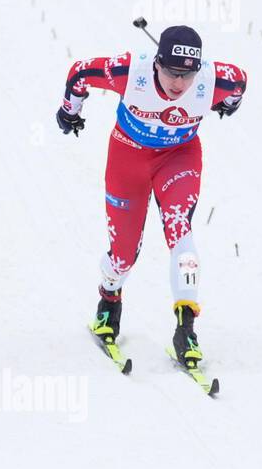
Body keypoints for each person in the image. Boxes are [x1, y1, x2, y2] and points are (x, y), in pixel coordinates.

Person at [55, 25, 247, 368]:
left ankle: (185, 329)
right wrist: (70, 110)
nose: (179, 84)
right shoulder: (129, 72)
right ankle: (109, 301)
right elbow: (80, 72)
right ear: (156, 63)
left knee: (180, 231)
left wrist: (229, 105)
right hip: (128, 158)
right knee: (124, 255)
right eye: (172, 73)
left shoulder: (216, 79)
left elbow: (239, 83)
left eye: (187, 75)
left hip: (179, 157)